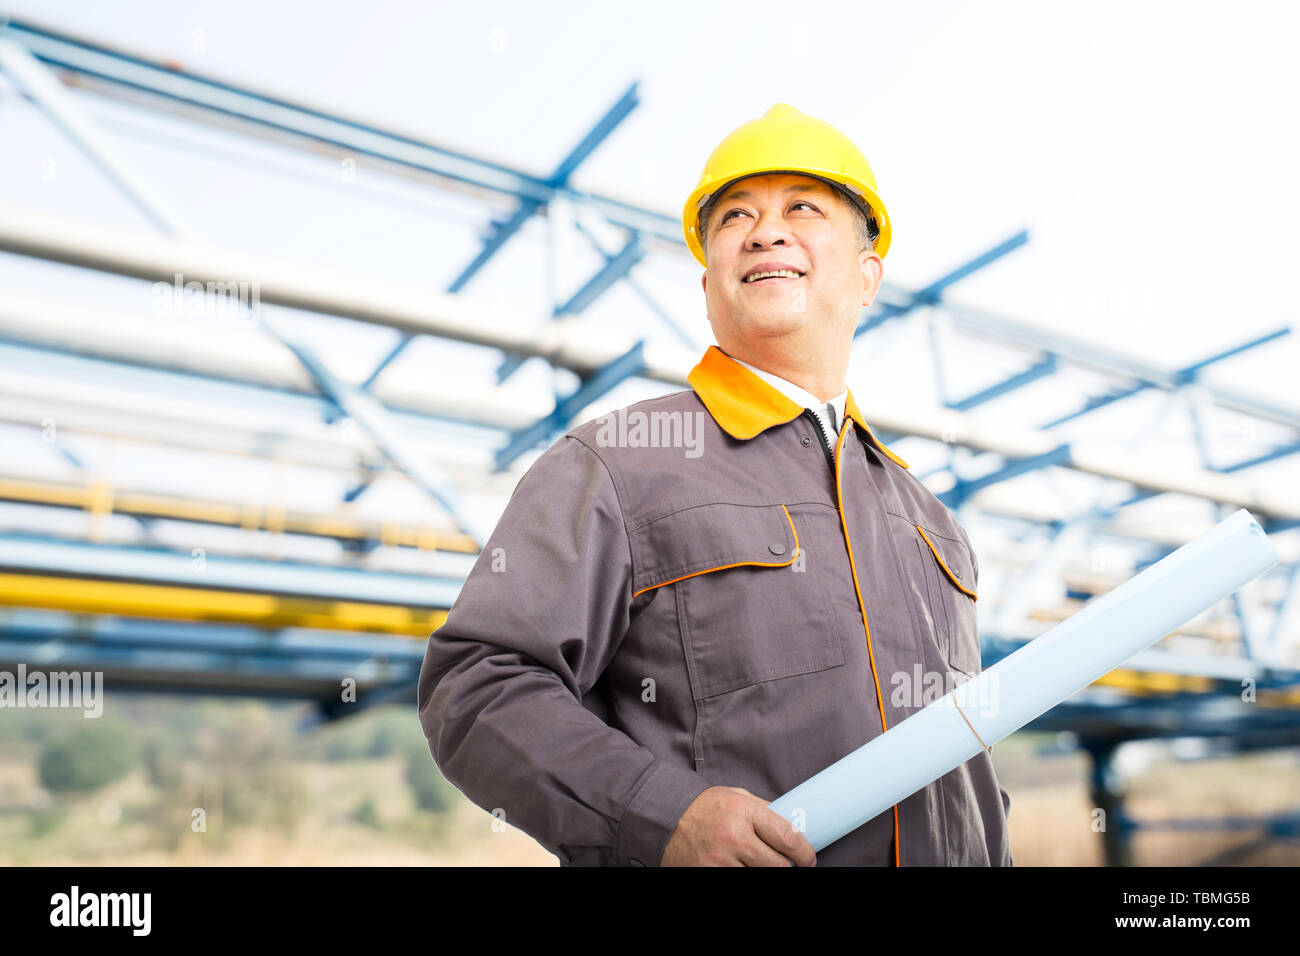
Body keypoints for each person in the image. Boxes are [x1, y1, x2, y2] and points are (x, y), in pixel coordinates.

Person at [417, 103, 1013, 866]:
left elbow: (971, 774)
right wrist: (661, 816)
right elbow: (475, 685)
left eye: (803, 206)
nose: (766, 231)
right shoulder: (619, 464)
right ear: (709, 286)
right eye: (736, 216)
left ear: (868, 277)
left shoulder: (930, 521)